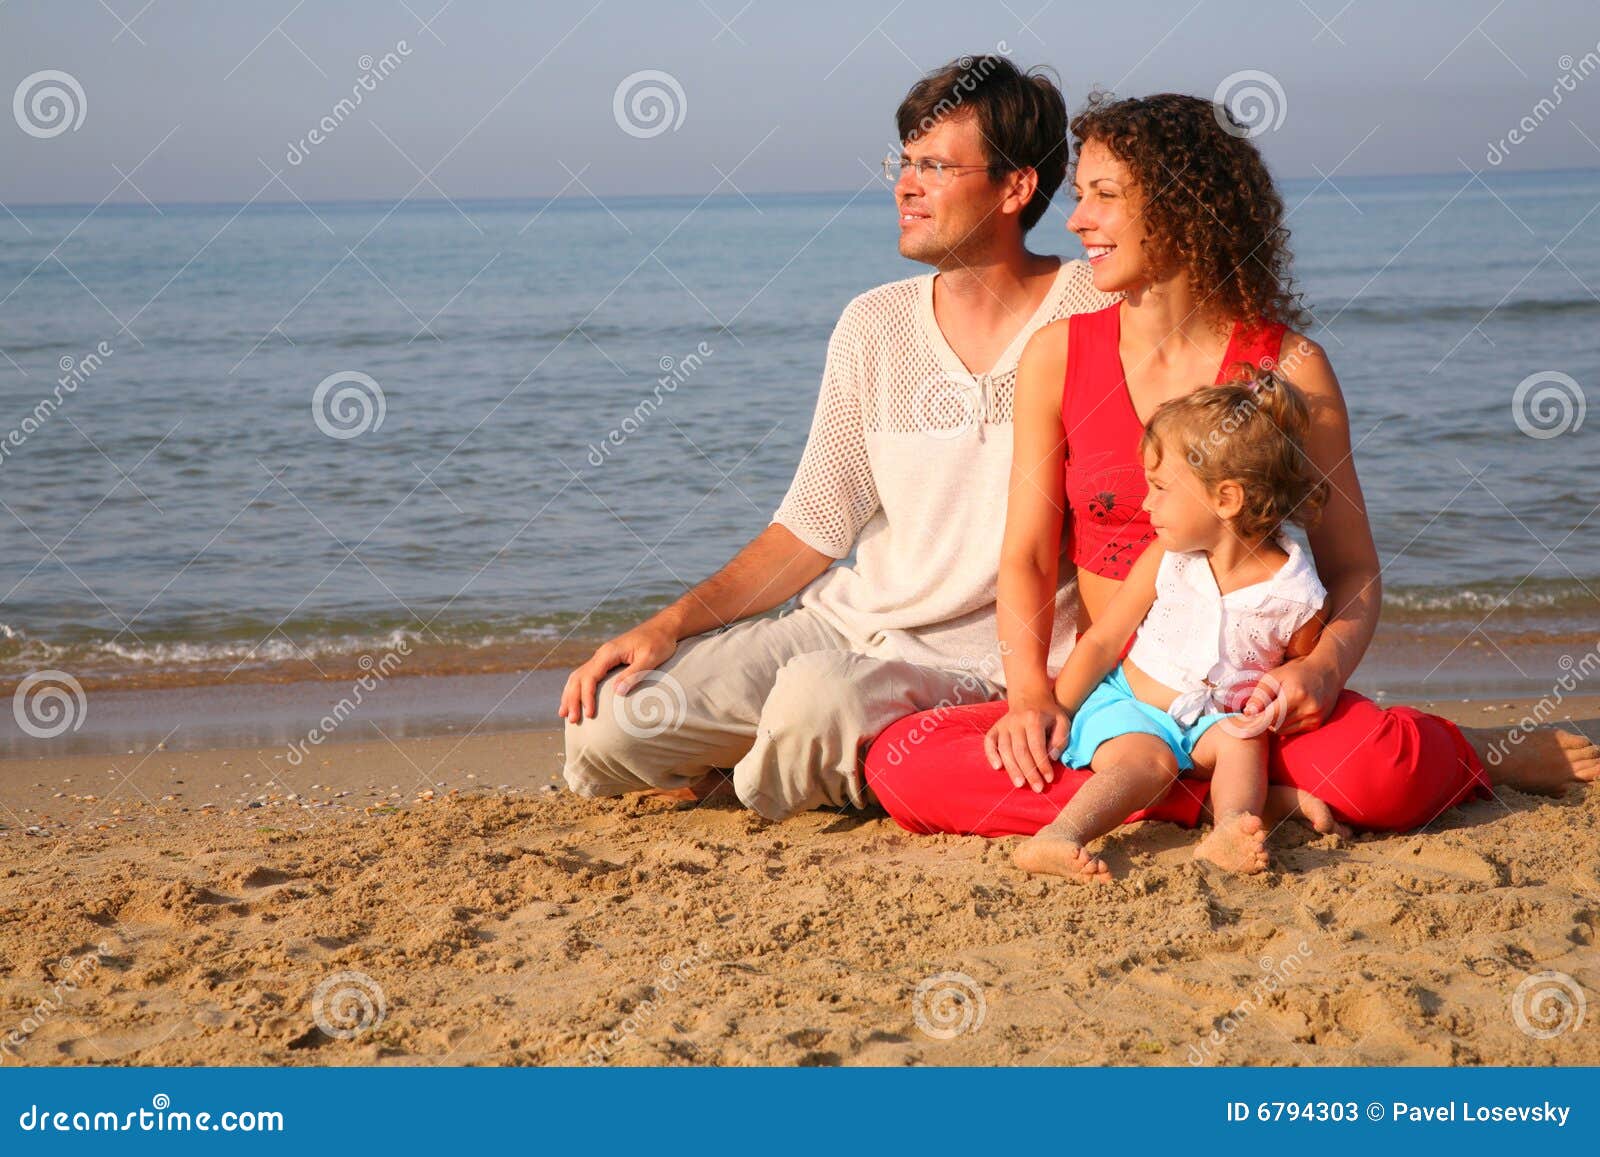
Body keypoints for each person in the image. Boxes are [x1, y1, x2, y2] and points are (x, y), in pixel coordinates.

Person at [864, 91, 1600, 840]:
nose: (1077, 219)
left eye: (1104, 196)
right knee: (903, 766)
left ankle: (1475, 751)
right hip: (1118, 701)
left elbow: (1352, 567)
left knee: (1384, 774)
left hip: (1250, 706)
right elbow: (1023, 555)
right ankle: (1236, 799)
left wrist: (1322, 671)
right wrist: (1030, 696)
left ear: (1183, 209)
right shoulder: (1057, 356)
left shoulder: (1289, 367)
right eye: (1079, 195)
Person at [560, 57, 1119, 818]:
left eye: (935, 166)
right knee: (609, 723)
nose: (906, 186)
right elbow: (809, 529)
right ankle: (794, 764)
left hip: (992, 666)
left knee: (813, 705)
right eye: (904, 163)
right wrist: (668, 625)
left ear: (1015, 187)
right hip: (846, 628)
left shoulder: (1096, 307)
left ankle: (790, 766)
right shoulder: (874, 323)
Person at [1013, 371, 1331, 883]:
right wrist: (1058, 711)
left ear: (1226, 500)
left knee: (1244, 740)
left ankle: (1229, 829)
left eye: (1160, 488)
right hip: (1130, 708)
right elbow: (1104, 640)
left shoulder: (1298, 597)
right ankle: (1059, 835)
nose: (1146, 504)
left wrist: (1272, 698)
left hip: (1209, 724)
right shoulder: (1168, 557)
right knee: (1151, 762)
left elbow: (1298, 672)